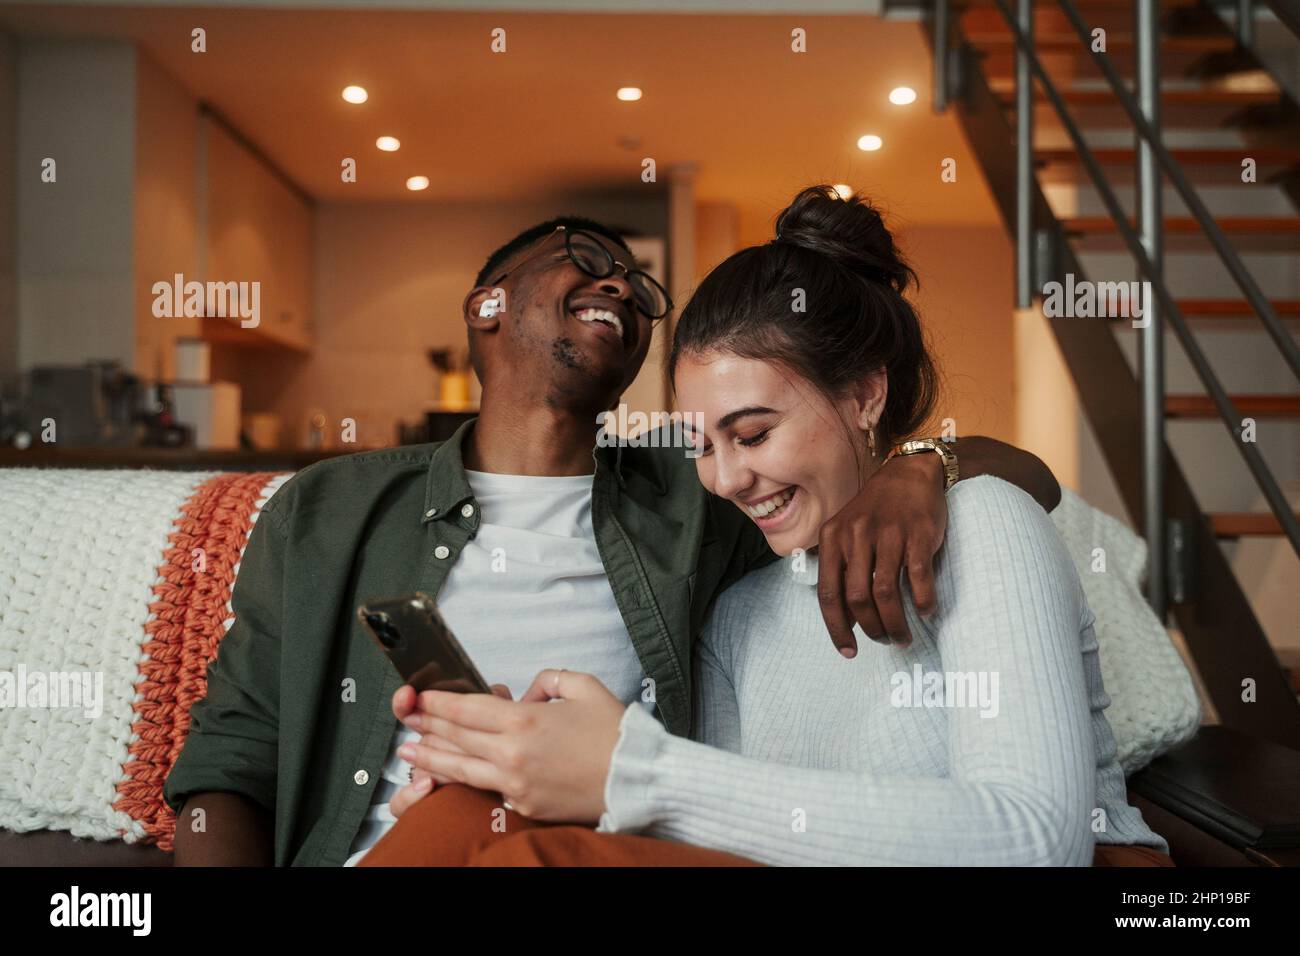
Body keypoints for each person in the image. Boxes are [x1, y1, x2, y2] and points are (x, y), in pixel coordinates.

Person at [164, 208, 1060, 866]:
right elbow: (232, 753)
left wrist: (923, 464)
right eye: (587, 259)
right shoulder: (329, 507)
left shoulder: (694, 507)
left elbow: (1025, 484)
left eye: (640, 285)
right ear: (487, 306)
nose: (623, 284)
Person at [370, 187, 1173, 867]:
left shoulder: (980, 521)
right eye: (703, 446)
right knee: (462, 819)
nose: (724, 479)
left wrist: (636, 771)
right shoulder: (741, 611)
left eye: (752, 434)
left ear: (864, 394)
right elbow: (732, 831)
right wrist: (535, 769)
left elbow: (1038, 841)